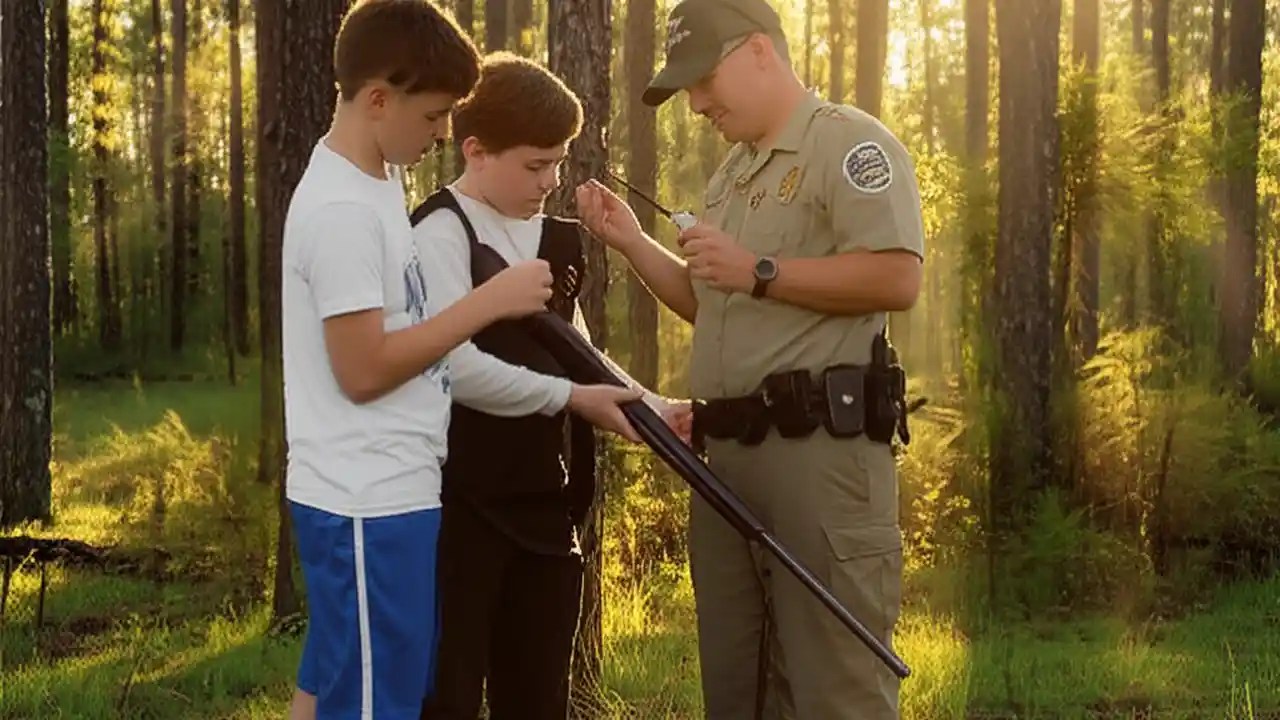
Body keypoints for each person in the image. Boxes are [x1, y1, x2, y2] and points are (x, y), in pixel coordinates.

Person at [280, 2, 635, 718]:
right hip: (363, 502)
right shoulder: (343, 211)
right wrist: (489, 301)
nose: (445, 131)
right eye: (435, 115)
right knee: (375, 702)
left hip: (398, 495)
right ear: (379, 99)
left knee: (332, 687)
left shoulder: (378, 180)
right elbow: (363, 369)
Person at [575, 0, 926, 716]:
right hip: (727, 462)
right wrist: (635, 243)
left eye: (704, 79)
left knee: (836, 690)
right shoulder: (730, 178)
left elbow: (897, 276)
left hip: (820, 463)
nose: (697, 102)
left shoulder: (849, 145)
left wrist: (762, 268)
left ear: (761, 51)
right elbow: (720, 307)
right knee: (739, 693)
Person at [410, 52, 668, 720]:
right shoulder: (438, 234)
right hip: (453, 515)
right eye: (535, 165)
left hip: (544, 512)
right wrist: (572, 400)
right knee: (448, 699)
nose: (551, 181)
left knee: (539, 701)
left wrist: (657, 410)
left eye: (558, 163)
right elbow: (451, 369)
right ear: (476, 150)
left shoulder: (552, 240)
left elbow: (580, 355)